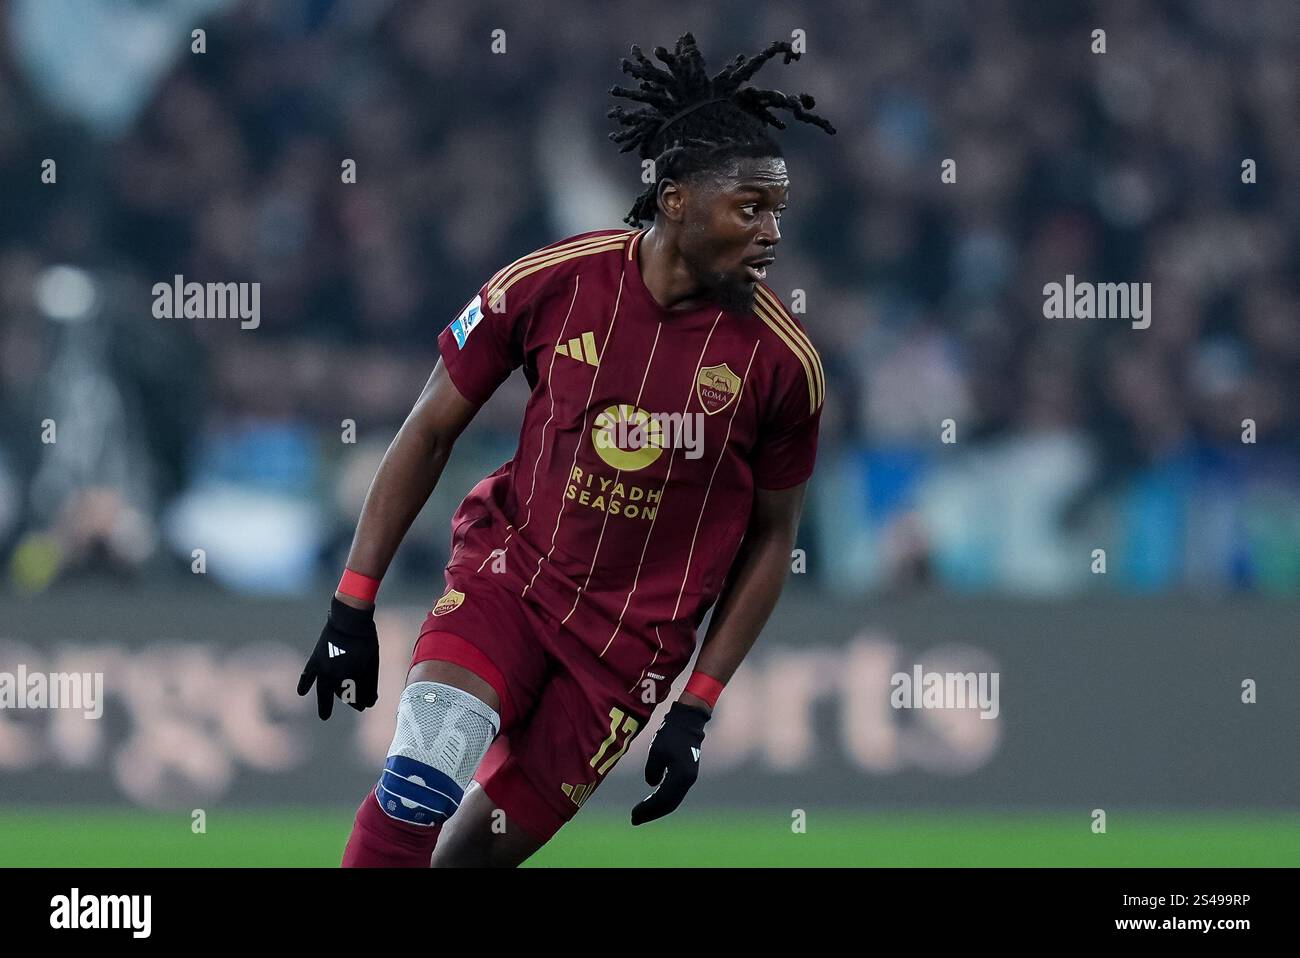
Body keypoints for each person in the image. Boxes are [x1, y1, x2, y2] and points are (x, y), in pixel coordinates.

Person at [297, 32, 835, 867]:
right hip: (509, 580)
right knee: (420, 777)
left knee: (469, 861)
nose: (771, 233)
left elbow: (774, 536)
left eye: (778, 212)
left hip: (628, 657)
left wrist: (695, 704)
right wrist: (351, 602)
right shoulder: (552, 283)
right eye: (751, 208)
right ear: (678, 199)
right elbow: (431, 427)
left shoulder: (783, 365)